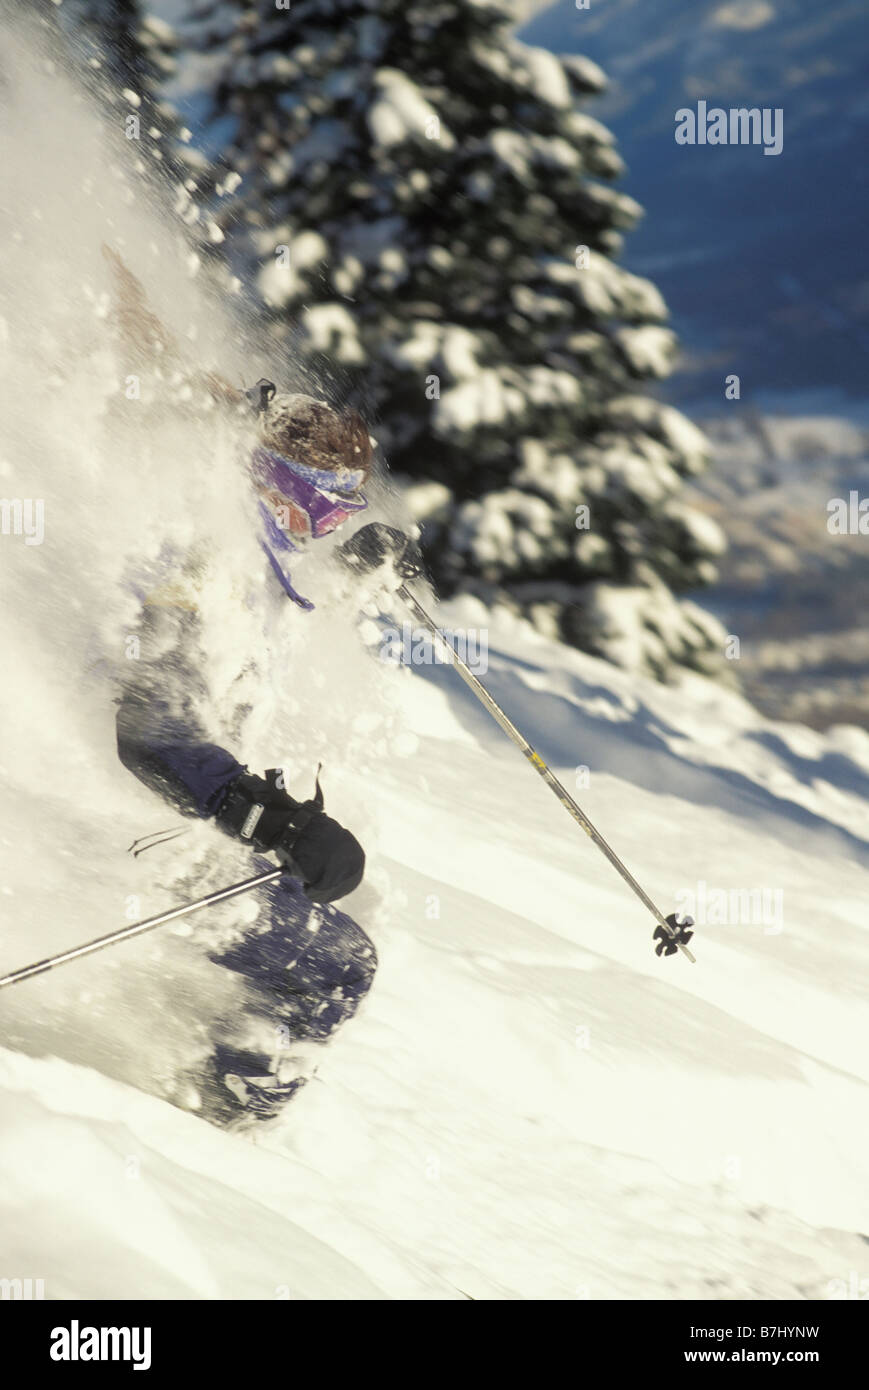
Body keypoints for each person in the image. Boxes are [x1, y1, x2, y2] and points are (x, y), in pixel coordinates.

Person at [103, 249, 422, 1123]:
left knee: (331, 954)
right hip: (149, 833)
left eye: (348, 510)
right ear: (276, 482)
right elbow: (149, 730)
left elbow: (205, 397)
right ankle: (219, 1128)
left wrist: (358, 569)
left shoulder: (249, 535)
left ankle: (198, 1092)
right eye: (323, 506)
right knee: (335, 969)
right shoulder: (208, 562)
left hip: (185, 824)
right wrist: (265, 816)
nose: (328, 524)